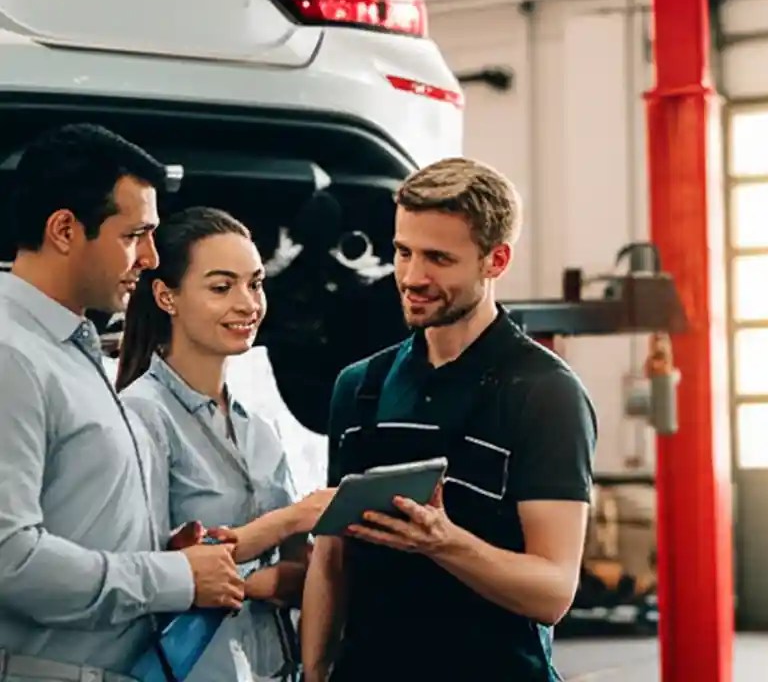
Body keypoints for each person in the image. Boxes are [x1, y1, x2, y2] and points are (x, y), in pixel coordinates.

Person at [301, 158, 598, 681]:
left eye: (439, 258)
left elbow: (553, 591)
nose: (413, 277)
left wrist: (443, 542)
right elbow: (333, 557)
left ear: (495, 260)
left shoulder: (544, 393)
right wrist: (313, 673)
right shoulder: (360, 387)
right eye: (403, 252)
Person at [0, 123, 244, 681]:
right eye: (135, 235)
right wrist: (174, 576)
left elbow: (73, 517)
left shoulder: (71, 350)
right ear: (64, 229)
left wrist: (161, 546)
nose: (152, 257)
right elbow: (9, 560)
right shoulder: (11, 355)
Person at [114, 206, 337, 681]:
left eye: (254, 284)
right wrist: (290, 522)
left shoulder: (258, 428)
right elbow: (144, 568)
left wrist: (282, 576)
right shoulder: (140, 415)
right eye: (221, 287)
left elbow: (299, 565)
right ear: (166, 296)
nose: (248, 304)